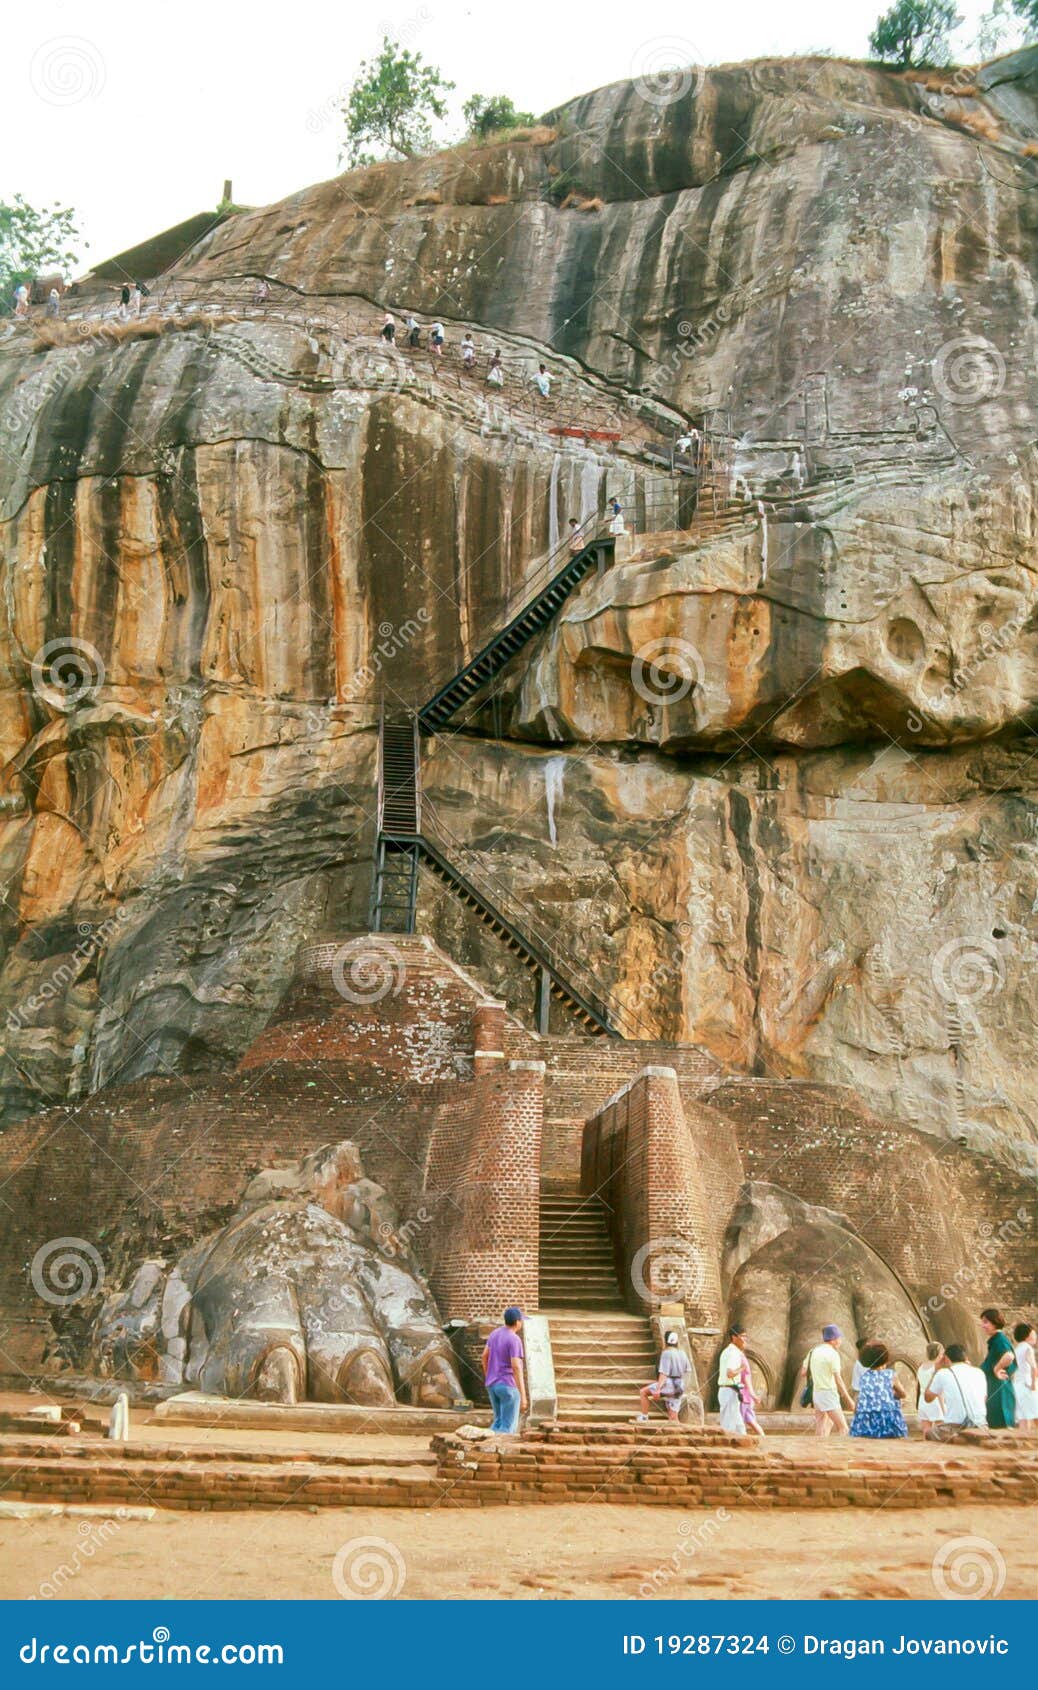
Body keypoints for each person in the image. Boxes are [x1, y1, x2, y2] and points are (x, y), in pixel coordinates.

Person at [800, 1324, 854, 1436]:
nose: (841, 1341)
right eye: (839, 1338)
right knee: (843, 1427)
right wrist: (848, 1399)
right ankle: (844, 1451)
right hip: (828, 1392)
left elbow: (803, 1373)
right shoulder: (833, 1354)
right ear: (833, 1340)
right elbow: (838, 1379)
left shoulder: (813, 1351)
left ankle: (817, 1451)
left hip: (817, 1393)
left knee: (822, 1424)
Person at [481, 1306, 527, 1435]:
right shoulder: (514, 1339)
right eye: (521, 1320)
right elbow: (516, 1367)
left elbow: (484, 1356)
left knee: (498, 1421)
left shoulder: (494, 1334)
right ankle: (500, 1452)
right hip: (508, 1385)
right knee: (507, 1427)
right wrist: (523, 1396)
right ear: (517, 1322)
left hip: (492, 1384)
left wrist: (488, 1376)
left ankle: (487, 1450)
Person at [849, 1341, 908, 1439]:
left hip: (866, 1420)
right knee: (895, 1402)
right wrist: (891, 1395)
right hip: (888, 1418)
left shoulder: (864, 1377)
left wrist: (857, 1412)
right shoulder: (890, 1375)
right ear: (885, 1359)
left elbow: (861, 1397)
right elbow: (903, 1394)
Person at [924, 1344, 987, 1429]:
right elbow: (984, 1398)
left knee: (929, 1433)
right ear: (965, 1358)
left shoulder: (942, 1373)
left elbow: (928, 1398)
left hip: (955, 1426)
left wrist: (936, 1370)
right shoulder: (979, 1373)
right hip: (981, 1424)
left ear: (945, 1359)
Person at [637, 1330, 692, 1422]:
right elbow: (688, 1371)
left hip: (669, 1384)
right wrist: (684, 1386)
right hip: (680, 1385)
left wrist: (658, 1389)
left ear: (666, 1341)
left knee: (643, 1392)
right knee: (673, 1417)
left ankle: (644, 1417)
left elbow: (663, 1374)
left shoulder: (666, 1353)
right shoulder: (682, 1353)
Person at [980, 1307, 1016, 1429]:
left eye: (986, 1322)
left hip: (1000, 1391)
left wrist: (996, 1369)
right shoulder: (995, 1340)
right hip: (996, 1389)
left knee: (1001, 1425)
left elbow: (1009, 1356)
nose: (982, 1325)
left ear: (995, 1322)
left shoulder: (999, 1340)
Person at [715, 1325, 748, 1437]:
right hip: (729, 1390)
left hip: (730, 1391)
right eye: (742, 1336)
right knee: (728, 1425)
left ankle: (744, 1445)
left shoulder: (730, 1351)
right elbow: (730, 1373)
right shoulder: (733, 1353)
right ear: (734, 1337)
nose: (745, 1339)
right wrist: (742, 1368)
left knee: (738, 1425)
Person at [1011, 1322, 1038, 1433]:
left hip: (1017, 1385)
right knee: (1035, 1413)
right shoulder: (1028, 1348)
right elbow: (1033, 1367)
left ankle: (1023, 1440)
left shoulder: (1016, 1349)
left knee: (1023, 1417)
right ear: (1028, 1336)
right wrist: (1033, 1384)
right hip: (1028, 1384)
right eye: (1034, 1334)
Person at [917, 1340, 945, 1440]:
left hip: (922, 1400)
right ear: (939, 1354)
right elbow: (939, 1392)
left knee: (926, 1428)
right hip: (935, 1401)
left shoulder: (921, 1367)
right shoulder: (936, 1369)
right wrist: (943, 1408)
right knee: (941, 1427)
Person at [738, 1353, 765, 1437]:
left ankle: (741, 1439)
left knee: (740, 1421)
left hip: (744, 1398)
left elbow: (747, 1382)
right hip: (747, 1398)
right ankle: (763, 1437)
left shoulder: (743, 1365)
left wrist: (753, 1395)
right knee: (751, 1421)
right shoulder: (742, 1363)